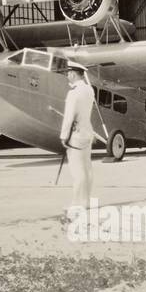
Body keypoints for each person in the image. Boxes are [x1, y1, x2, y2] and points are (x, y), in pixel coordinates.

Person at [60, 63, 97, 207]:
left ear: (74, 74)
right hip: (87, 133)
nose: (67, 76)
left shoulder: (73, 92)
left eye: (68, 73)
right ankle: (87, 201)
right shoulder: (89, 90)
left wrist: (64, 135)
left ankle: (77, 203)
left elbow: (69, 116)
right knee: (87, 169)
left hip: (75, 135)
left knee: (77, 171)